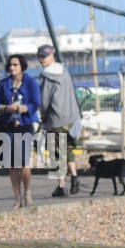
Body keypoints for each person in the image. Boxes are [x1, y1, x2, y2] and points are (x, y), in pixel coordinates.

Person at [0, 53, 41, 209]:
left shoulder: (31, 83)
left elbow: (36, 102)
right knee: (12, 164)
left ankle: (27, 191)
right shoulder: (4, 83)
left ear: (22, 66)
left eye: (15, 65)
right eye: (10, 65)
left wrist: (21, 108)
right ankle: (17, 198)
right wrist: (5, 107)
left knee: (23, 162)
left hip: (24, 125)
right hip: (7, 126)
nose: (12, 67)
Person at [36, 44, 82, 197]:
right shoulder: (64, 71)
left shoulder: (45, 76)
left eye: (44, 56)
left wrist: (42, 118)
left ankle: (61, 186)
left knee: (56, 154)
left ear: (52, 56)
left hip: (55, 119)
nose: (41, 59)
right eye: (40, 56)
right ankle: (74, 175)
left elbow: (44, 100)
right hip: (71, 116)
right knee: (67, 148)